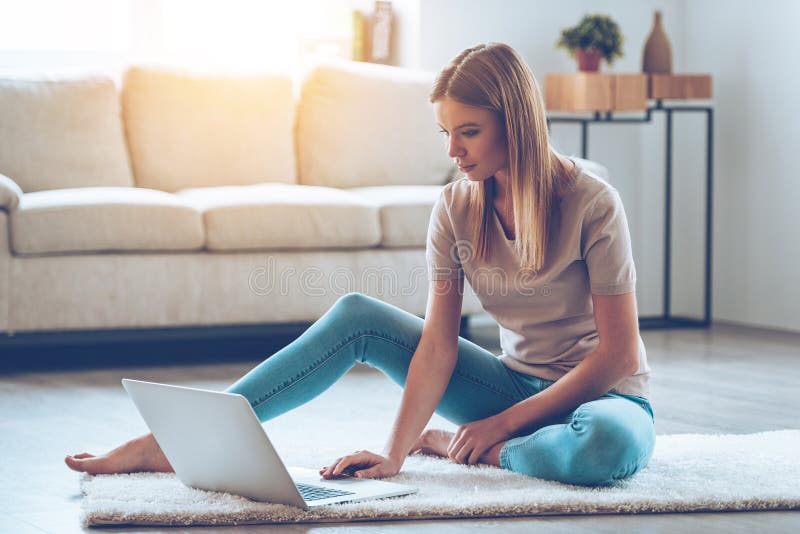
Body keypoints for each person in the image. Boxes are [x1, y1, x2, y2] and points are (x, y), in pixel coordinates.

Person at [65, 42, 654, 486]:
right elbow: (438, 346)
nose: (453, 151)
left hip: (603, 398)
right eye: (446, 132)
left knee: (604, 448)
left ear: (515, 120)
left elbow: (619, 355)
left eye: (469, 132)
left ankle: (488, 451)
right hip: (505, 386)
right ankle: (175, 440)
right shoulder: (454, 207)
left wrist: (500, 430)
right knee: (358, 316)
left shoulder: (591, 201)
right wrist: (393, 453)